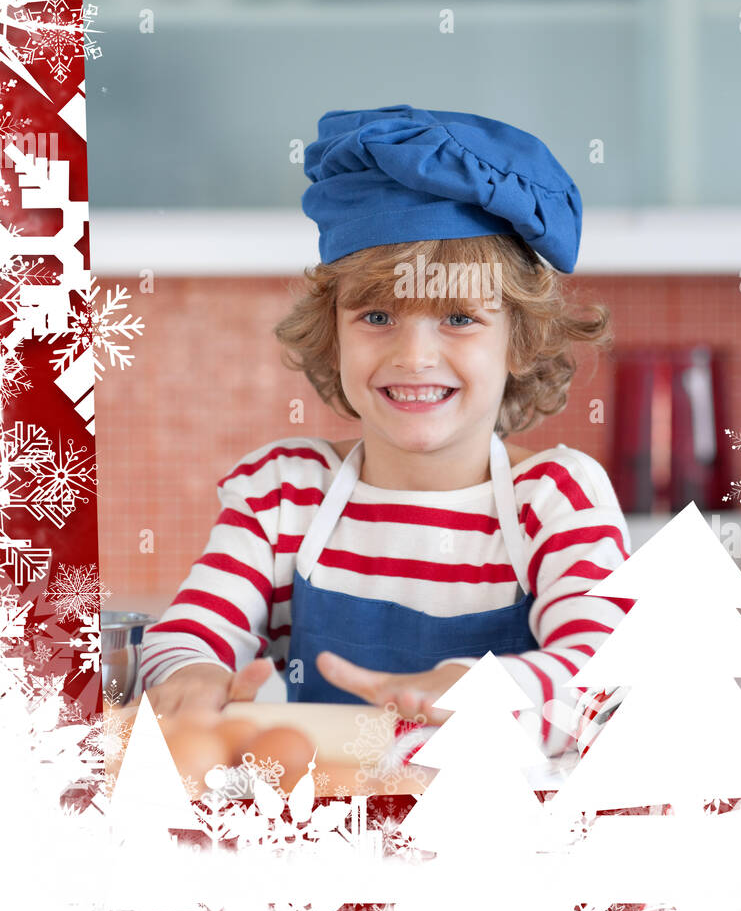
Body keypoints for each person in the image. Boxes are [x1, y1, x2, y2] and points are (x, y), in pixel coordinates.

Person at [136, 105, 632, 760]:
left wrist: (472, 690)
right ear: (331, 334)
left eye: (457, 317)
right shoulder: (282, 494)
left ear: (519, 340)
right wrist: (191, 674)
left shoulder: (555, 500)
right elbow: (189, 630)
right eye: (377, 315)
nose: (414, 356)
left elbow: (602, 683)